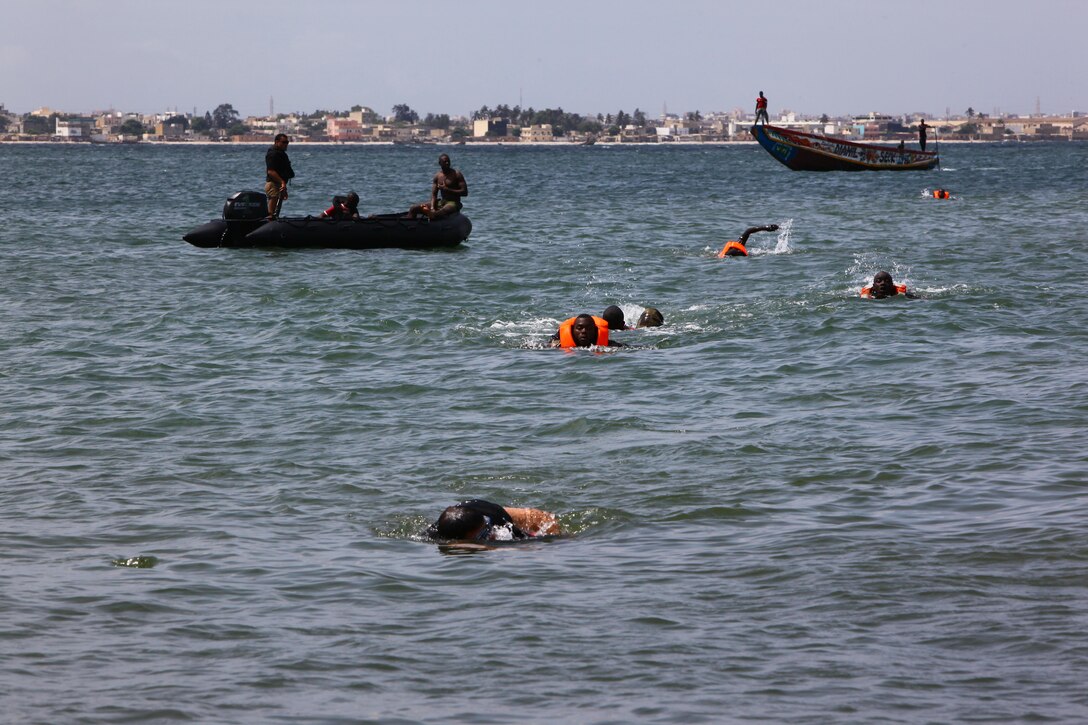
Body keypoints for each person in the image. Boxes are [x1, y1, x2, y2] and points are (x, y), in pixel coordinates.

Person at [425, 499, 561, 542]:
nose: (493, 533)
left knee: (545, 520)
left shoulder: (498, 523)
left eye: (488, 528)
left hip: (488, 510)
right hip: (459, 516)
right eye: (484, 534)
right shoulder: (434, 535)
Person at [407, 153, 468, 220]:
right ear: (440, 163)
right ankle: (410, 225)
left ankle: (432, 215)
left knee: (444, 210)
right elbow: (434, 195)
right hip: (441, 202)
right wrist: (432, 208)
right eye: (445, 162)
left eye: (448, 161)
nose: (447, 163)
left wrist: (447, 189)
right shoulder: (437, 176)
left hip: (453, 203)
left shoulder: (456, 174)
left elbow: (465, 192)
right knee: (413, 208)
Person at [549, 313, 626, 348]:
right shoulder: (557, 345)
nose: (583, 331)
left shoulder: (610, 346)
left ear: (595, 331)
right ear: (572, 330)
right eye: (579, 328)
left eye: (589, 328)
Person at [265, 133, 295, 219]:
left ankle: (274, 221)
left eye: (287, 142)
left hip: (280, 184)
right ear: (277, 142)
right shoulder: (273, 154)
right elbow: (270, 171)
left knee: (277, 210)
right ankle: (269, 223)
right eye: (284, 142)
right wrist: (282, 182)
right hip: (273, 184)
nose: (286, 145)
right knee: (271, 212)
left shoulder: (281, 153)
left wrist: (283, 186)